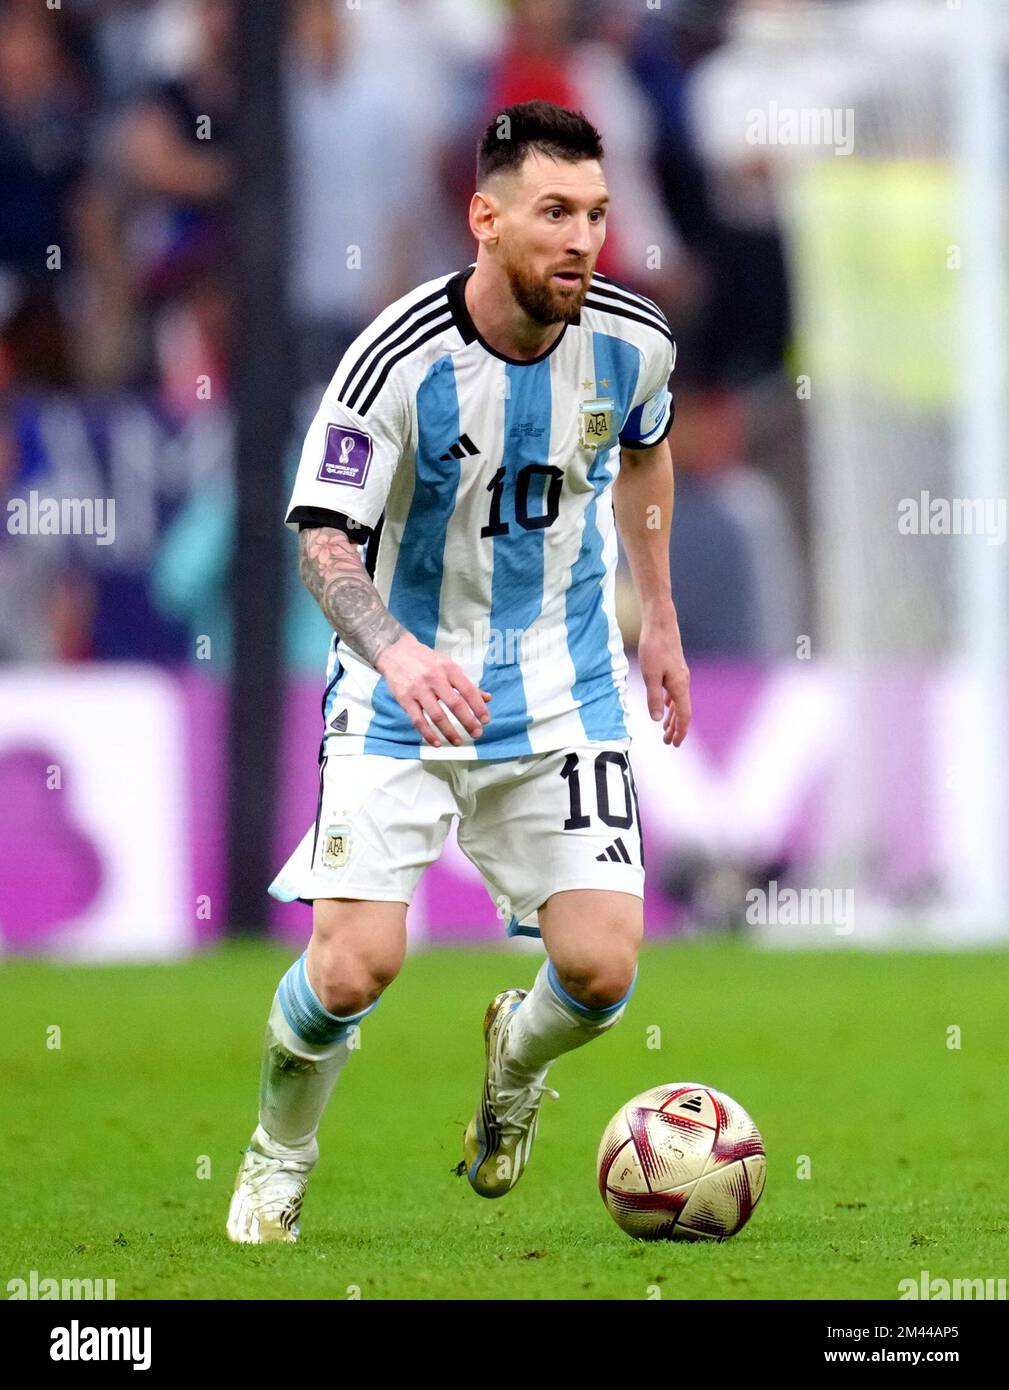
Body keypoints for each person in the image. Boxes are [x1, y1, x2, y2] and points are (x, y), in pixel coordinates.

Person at [227, 100, 691, 1244]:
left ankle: (513, 1065)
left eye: (594, 213)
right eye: (553, 213)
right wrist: (393, 650)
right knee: (351, 971)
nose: (582, 238)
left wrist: (661, 613)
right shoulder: (393, 359)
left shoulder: (635, 339)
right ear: (485, 219)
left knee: (598, 968)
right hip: (401, 696)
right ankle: (276, 1159)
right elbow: (323, 541)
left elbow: (644, 447)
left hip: (563, 686)